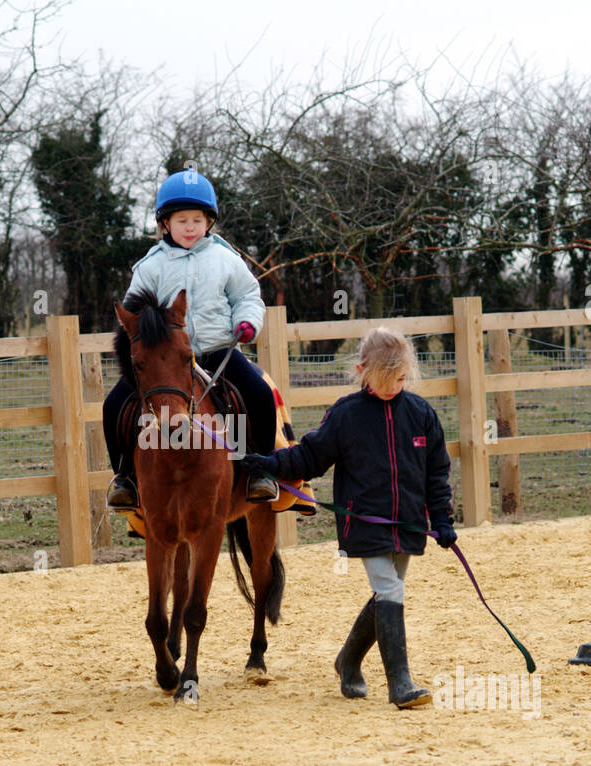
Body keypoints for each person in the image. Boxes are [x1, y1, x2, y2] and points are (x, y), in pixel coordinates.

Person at [241, 327, 456, 709]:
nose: (395, 387)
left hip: (408, 524)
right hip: (364, 523)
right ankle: (400, 684)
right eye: (386, 380)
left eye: (402, 379)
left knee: (385, 594)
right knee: (391, 591)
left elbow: (436, 472)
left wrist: (441, 518)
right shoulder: (346, 415)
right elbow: (309, 457)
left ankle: (348, 660)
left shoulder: (421, 414)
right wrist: (270, 463)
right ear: (362, 371)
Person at [104, 169, 279, 509]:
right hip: (166, 363)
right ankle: (124, 477)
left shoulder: (226, 259)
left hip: (218, 354)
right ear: (164, 224)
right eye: (181, 220)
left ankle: (260, 469)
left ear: (209, 223)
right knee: (114, 405)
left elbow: (248, 296)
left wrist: (246, 322)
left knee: (259, 393)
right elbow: (133, 317)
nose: (189, 228)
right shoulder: (150, 267)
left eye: (197, 220)